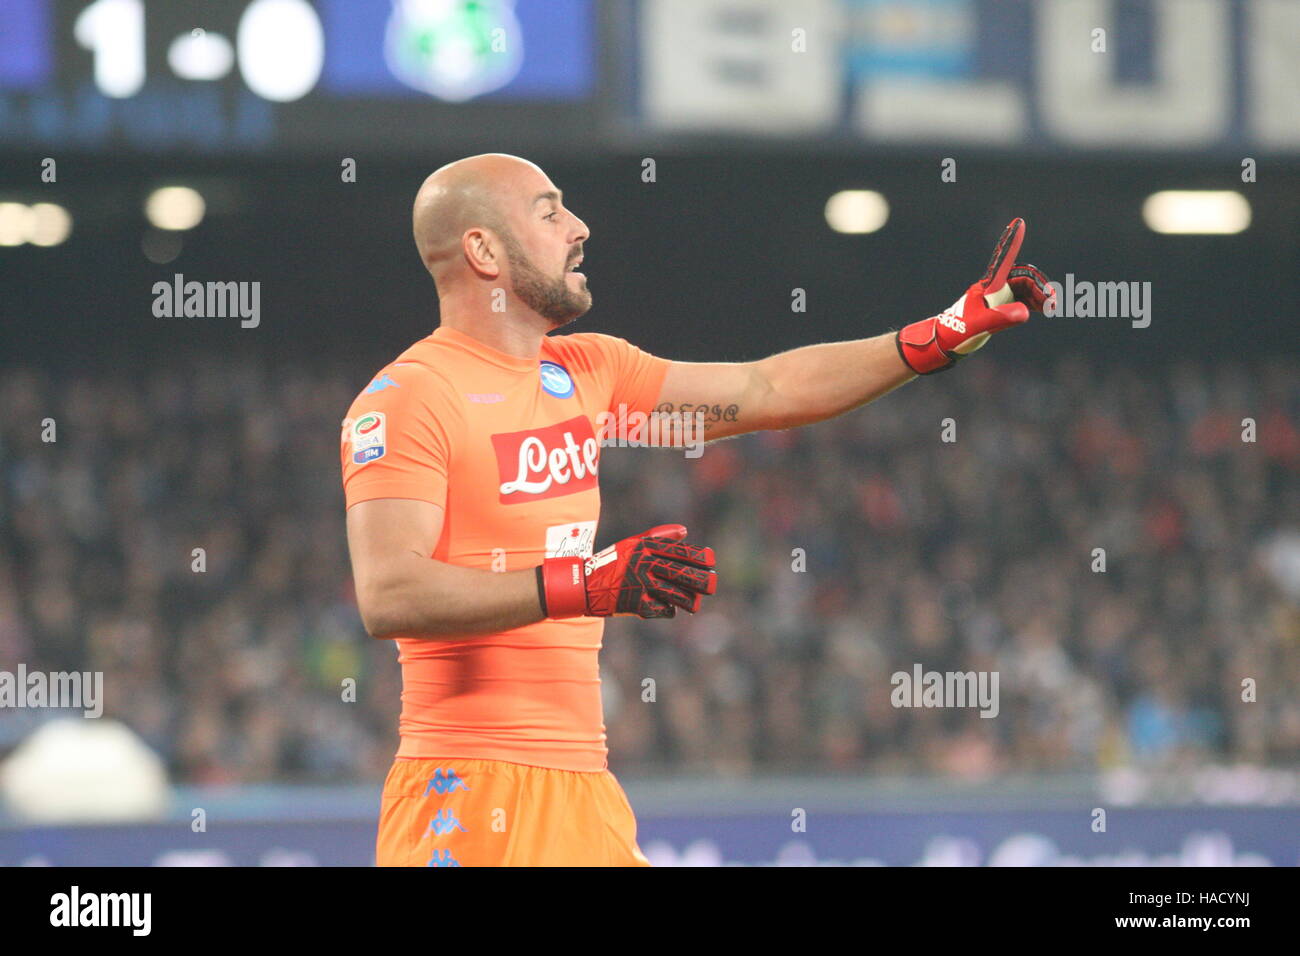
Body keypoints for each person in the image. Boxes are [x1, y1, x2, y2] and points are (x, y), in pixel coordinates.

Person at [340, 153, 1054, 866]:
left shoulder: (586, 373)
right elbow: (390, 591)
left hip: (583, 792)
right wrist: (581, 586)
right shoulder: (409, 398)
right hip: (464, 792)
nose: (579, 228)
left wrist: (939, 335)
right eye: (549, 210)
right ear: (483, 249)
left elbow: (766, 388)